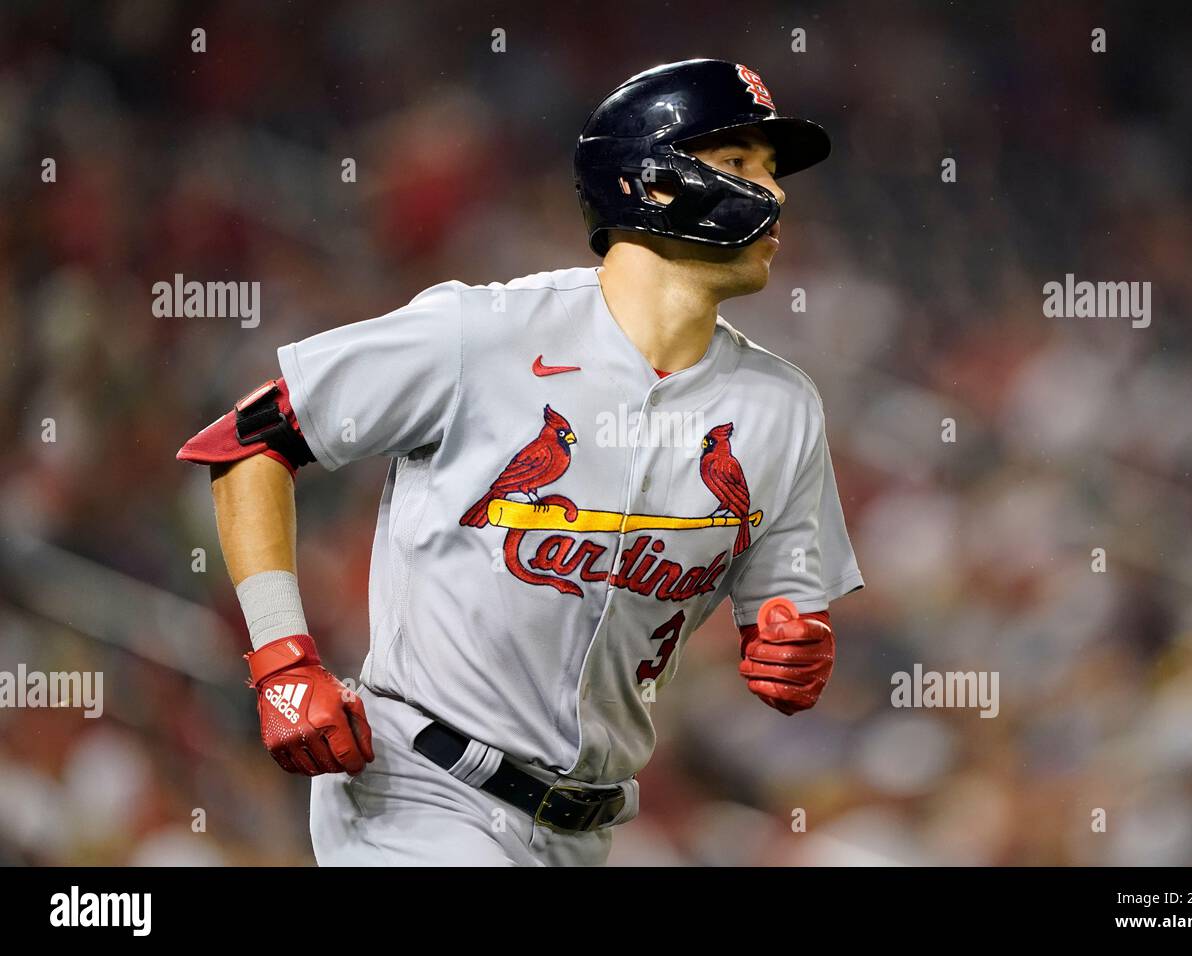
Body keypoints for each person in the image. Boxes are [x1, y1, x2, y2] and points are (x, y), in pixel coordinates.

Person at [178, 58, 863, 866]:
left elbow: (782, 612)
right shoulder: (482, 334)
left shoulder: (781, 407)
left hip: (586, 831)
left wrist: (794, 639)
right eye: (739, 164)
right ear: (650, 182)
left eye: (773, 172)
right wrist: (281, 657)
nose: (775, 194)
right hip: (417, 794)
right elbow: (248, 439)